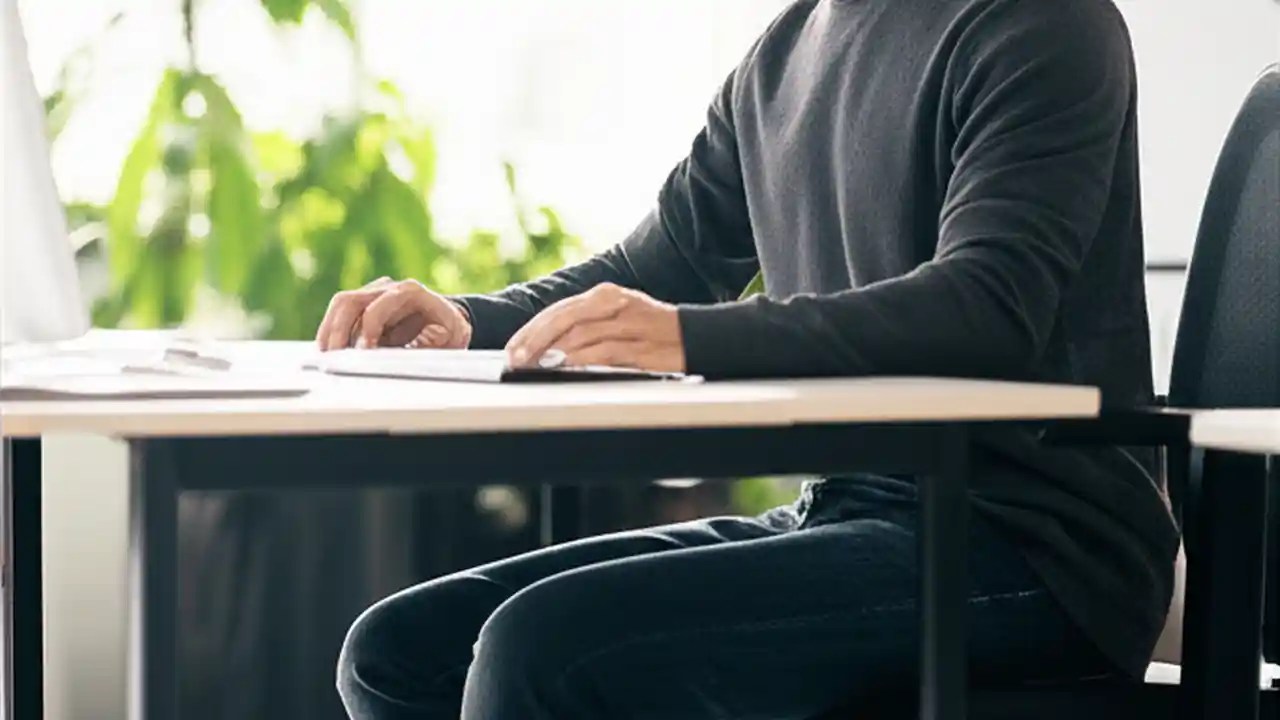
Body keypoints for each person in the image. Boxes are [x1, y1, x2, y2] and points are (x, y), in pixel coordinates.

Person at [319, 0, 1177, 718]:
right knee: (397, 654)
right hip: (846, 512)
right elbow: (653, 268)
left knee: (541, 650)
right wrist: (473, 321)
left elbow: (987, 306)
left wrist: (692, 338)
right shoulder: (788, 50)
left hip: (1030, 549)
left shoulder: (1045, 25)